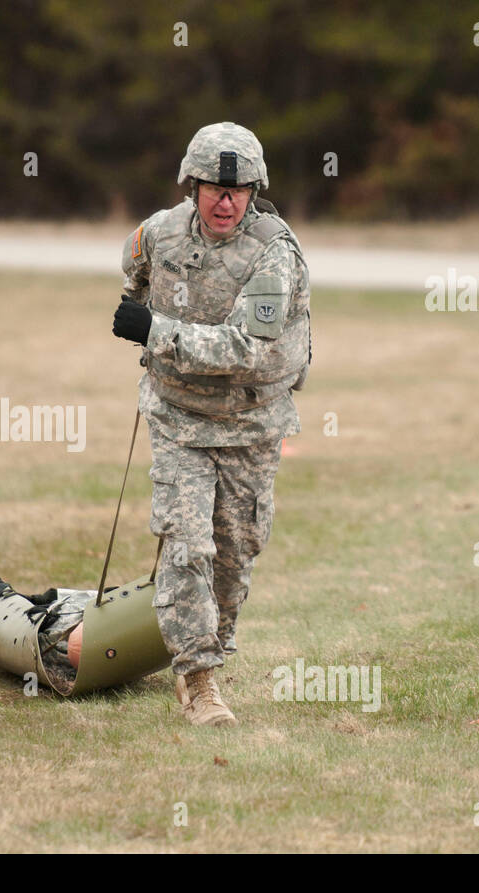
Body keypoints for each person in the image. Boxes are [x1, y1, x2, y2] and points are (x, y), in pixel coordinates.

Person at [111, 122, 311, 727]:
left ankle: (212, 650)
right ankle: (198, 681)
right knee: (187, 543)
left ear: (255, 191)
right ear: (192, 186)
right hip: (178, 421)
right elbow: (136, 281)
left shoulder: (275, 256)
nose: (225, 202)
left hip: (250, 422)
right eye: (213, 189)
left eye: (239, 190)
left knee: (234, 552)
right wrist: (140, 317)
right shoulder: (155, 236)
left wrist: (156, 332)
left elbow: (247, 349)